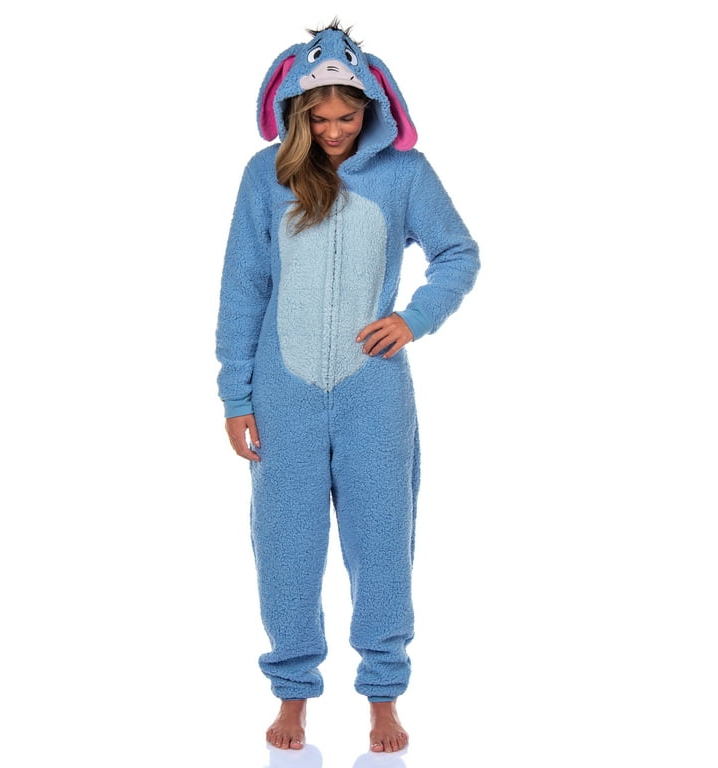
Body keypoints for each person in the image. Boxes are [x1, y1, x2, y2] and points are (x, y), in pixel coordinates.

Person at [216, 20, 479, 754]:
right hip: (283, 395)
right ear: (297, 112)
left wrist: (414, 318)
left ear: (372, 107)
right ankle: (293, 693)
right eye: (320, 119)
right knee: (286, 546)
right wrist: (236, 395)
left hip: (375, 395)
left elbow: (458, 252)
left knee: (383, 544)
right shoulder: (265, 175)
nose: (333, 132)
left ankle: (384, 697)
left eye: (347, 118)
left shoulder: (406, 174)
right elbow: (243, 286)